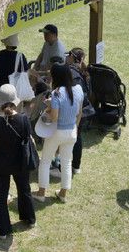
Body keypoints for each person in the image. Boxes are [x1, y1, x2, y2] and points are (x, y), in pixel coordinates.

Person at [0, 84, 36, 239]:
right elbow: (29, 139)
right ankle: (30, 219)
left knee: (1, 194)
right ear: (15, 102)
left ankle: (3, 230)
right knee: (24, 189)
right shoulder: (24, 119)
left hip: (0, 162)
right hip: (21, 161)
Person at [32, 63, 83, 203]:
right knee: (67, 163)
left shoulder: (56, 94)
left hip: (56, 132)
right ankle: (62, 193)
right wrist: (76, 127)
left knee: (45, 161)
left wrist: (49, 106)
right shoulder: (78, 89)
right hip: (72, 131)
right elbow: (79, 112)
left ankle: (41, 192)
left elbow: (54, 117)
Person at [65, 48, 94, 174]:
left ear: (72, 56)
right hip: (84, 108)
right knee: (77, 137)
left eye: (69, 55)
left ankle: (67, 166)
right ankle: (76, 166)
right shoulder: (85, 71)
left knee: (72, 137)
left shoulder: (72, 72)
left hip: (77, 110)